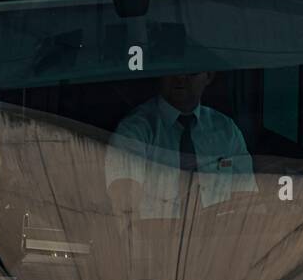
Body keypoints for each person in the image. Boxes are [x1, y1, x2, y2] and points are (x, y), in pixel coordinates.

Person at [106, 71, 256, 219]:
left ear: (209, 76)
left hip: (221, 238)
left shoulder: (227, 131)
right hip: (155, 239)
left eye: (191, 71)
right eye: (172, 68)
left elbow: (247, 203)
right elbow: (124, 209)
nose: (180, 77)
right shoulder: (135, 131)